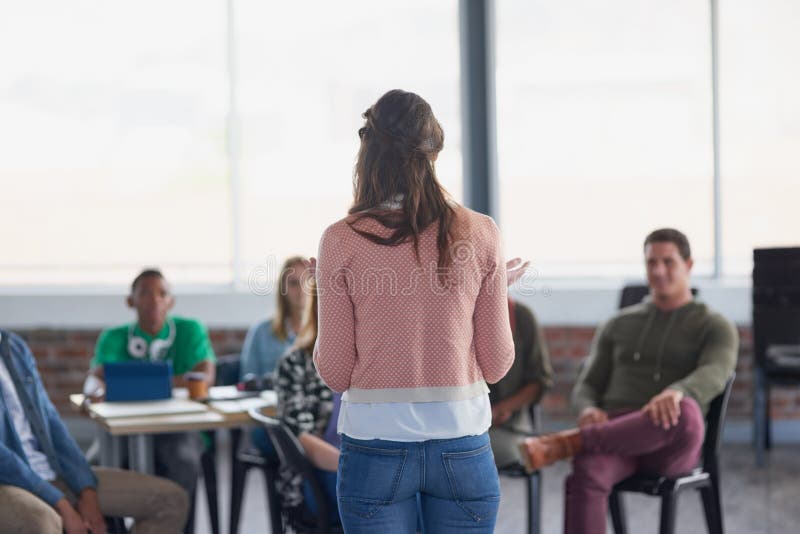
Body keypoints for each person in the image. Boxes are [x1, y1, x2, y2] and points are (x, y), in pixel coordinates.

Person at [313, 89, 515, 533]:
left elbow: (335, 373)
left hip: (374, 447)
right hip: (462, 444)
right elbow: (497, 366)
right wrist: (489, 289)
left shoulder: (341, 240)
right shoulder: (482, 233)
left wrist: (328, 292)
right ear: (433, 151)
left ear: (367, 153)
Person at [518, 228, 739, 534]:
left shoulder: (715, 325)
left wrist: (678, 391)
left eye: (668, 262)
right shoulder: (618, 324)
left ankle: (570, 442)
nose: (658, 271)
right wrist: (587, 409)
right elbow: (588, 382)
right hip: (615, 439)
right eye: (651, 263)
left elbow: (716, 371)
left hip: (670, 441)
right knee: (586, 470)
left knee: (686, 414)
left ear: (688, 265)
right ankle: (584, 440)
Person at [0, 330, 188, 534]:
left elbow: (51, 422)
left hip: (54, 472)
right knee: (42, 522)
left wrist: (86, 490)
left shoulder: (14, 346)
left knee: (170, 500)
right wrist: (61, 504)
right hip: (10, 482)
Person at [86, 269, 217, 498]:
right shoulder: (113, 337)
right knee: (90, 471)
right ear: (130, 301)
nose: (155, 300)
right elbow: (96, 377)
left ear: (171, 301)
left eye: (162, 293)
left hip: (179, 429)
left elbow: (205, 376)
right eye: (145, 293)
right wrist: (95, 391)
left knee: (182, 461)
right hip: (124, 430)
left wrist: (128, 385)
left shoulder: (190, 330)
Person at [269, 277, 341, 524]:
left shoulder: (378, 362)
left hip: (377, 469)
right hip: (322, 472)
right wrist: (355, 469)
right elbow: (301, 437)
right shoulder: (294, 363)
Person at [489, 297, 553, 467]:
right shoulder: (451, 313)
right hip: (458, 421)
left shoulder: (521, 316)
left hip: (507, 424)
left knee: (471, 455)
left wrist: (500, 409)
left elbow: (538, 381)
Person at [239, 256, 308, 382]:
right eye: (293, 283)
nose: (301, 290)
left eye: (307, 282)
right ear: (283, 288)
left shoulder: (327, 333)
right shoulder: (261, 331)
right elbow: (248, 379)